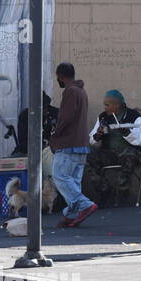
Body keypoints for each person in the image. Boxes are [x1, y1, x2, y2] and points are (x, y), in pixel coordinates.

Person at [48, 63, 98, 228]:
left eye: (58, 77)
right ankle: (71, 215)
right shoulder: (81, 91)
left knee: (60, 177)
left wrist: (55, 134)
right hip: (80, 144)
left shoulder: (70, 91)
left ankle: (84, 205)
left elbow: (66, 118)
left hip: (68, 143)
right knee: (73, 182)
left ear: (61, 76)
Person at [82, 90, 141, 207]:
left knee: (130, 154)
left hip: (129, 153)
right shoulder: (103, 117)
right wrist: (98, 136)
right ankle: (104, 190)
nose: (105, 108)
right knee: (89, 155)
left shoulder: (134, 117)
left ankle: (123, 191)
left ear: (117, 105)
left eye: (107, 105)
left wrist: (127, 133)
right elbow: (91, 140)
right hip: (110, 153)